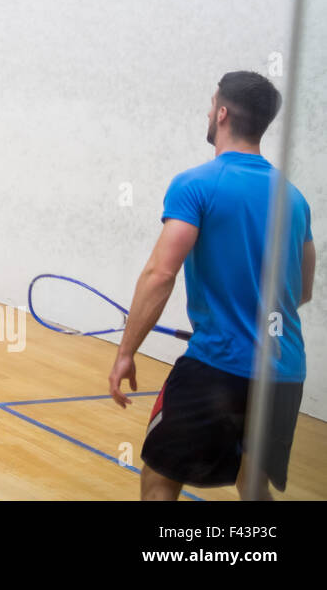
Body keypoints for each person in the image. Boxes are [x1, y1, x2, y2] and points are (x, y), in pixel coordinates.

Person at [109, 71, 314, 500]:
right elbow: (301, 291)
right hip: (284, 371)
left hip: (219, 365)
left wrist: (126, 352)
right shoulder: (294, 199)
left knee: (161, 477)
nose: (207, 110)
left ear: (221, 113)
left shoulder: (196, 185)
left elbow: (160, 274)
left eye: (211, 103)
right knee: (254, 485)